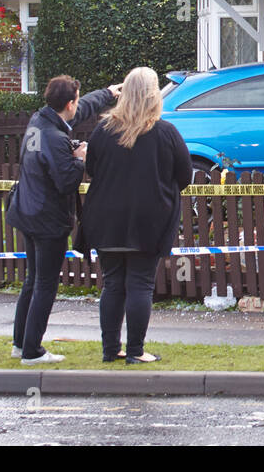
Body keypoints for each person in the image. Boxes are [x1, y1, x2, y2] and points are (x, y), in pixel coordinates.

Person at [81, 67, 191, 364]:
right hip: (148, 221)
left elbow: (91, 169)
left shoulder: (103, 131)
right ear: (154, 95)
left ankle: (109, 350)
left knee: (113, 284)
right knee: (140, 285)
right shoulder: (166, 133)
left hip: (105, 220)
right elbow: (185, 176)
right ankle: (135, 351)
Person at [8, 75, 120, 365]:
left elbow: (80, 111)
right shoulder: (56, 139)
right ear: (69, 103)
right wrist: (80, 158)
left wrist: (107, 93)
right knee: (45, 285)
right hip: (47, 221)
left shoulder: (39, 122)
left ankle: (20, 344)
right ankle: (32, 352)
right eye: (77, 100)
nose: (78, 105)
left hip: (26, 212)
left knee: (32, 281)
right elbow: (67, 182)